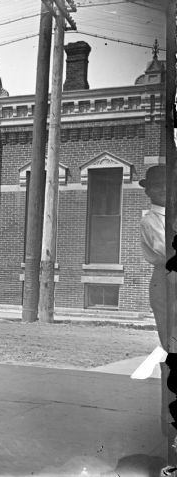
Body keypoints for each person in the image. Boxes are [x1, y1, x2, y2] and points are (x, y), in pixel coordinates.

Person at [139, 164, 175, 432]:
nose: (163, 190)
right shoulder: (151, 220)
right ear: (148, 190)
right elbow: (168, 252)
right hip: (166, 282)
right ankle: (170, 419)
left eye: (167, 184)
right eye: (157, 186)